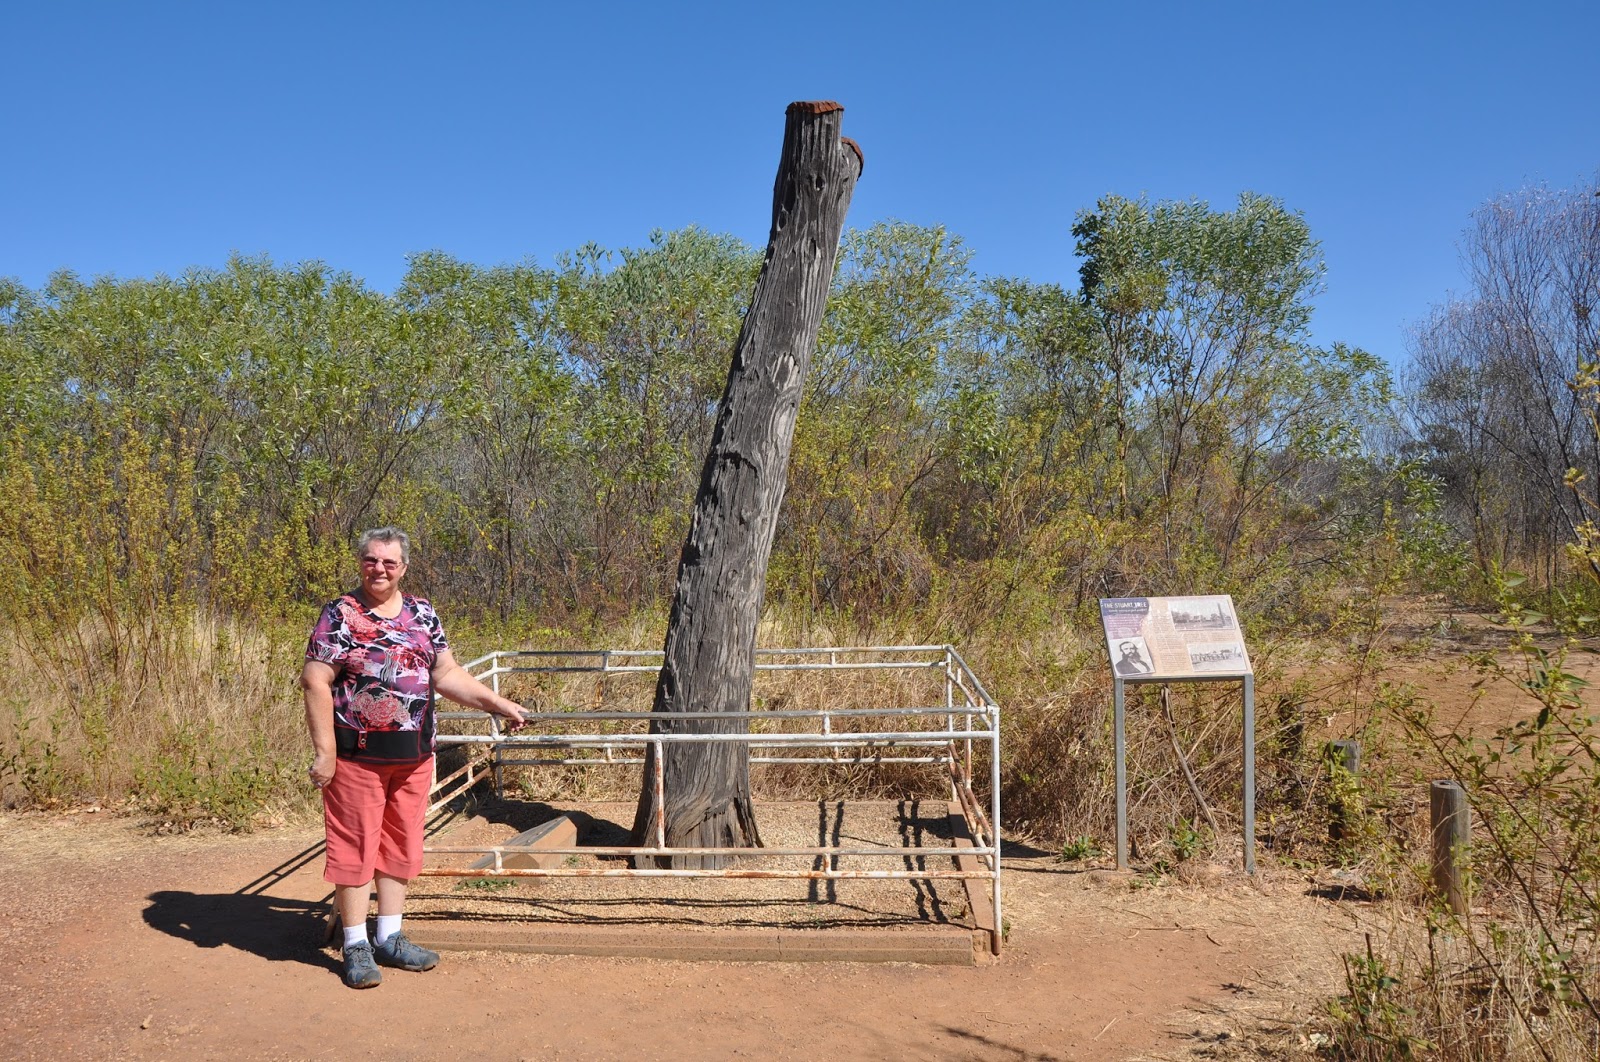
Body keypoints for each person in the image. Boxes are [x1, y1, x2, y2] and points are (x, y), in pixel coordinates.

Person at [303, 527, 529, 989]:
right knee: (355, 850)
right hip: (356, 759)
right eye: (371, 561)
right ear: (360, 563)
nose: (379, 569)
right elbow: (315, 680)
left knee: (400, 847)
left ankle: (389, 937)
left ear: (403, 567)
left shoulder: (422, 612)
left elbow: (445, 673)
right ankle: (356, 944)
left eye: (389, 562)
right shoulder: (341, 614)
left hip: (414, 758)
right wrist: (325, 752)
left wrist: (497, 703)